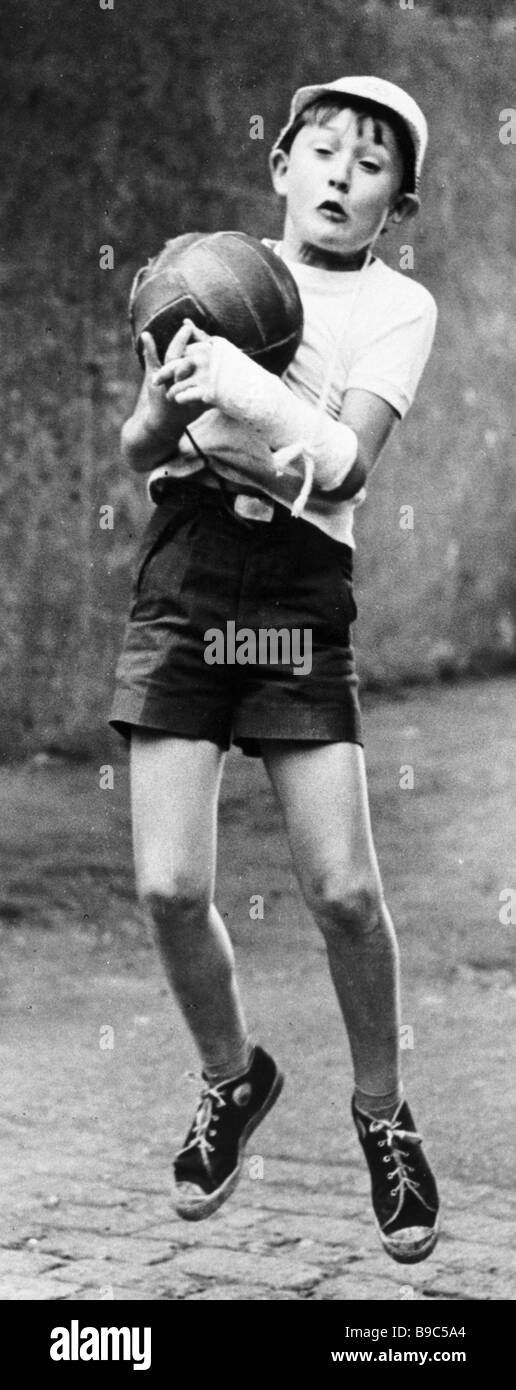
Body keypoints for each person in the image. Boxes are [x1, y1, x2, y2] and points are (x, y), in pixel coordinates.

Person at [110, 76, 440, 1264]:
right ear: (282, 167)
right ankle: (230, 1077)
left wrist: (241, 392)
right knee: (165, 885)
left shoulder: (402, 307)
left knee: (345, 890)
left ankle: (381, 1111)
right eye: (325, 150)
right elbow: (145, 444)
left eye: (372, 161)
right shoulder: (211, 274)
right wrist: (164, 397)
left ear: (397, 198)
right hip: (190, 578)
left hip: (298, 594)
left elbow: (344, 465)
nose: (344, 172)